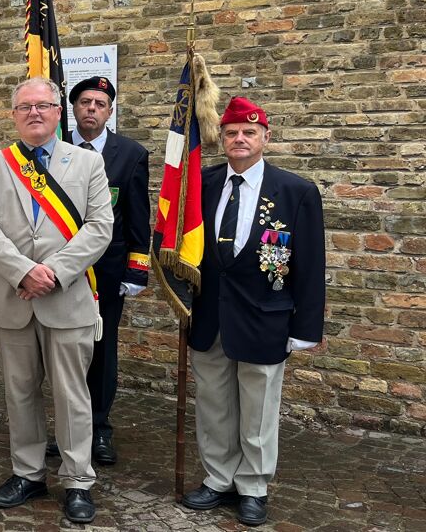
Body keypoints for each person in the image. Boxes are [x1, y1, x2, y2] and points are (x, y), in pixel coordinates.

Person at [0, 77, 112, 524]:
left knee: (73, 394)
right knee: (19, 392)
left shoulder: (88, 163)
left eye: (44, 106)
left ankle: (77, 480)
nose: (34, 113)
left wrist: (53, 271)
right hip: (13, 296)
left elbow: (99, 227)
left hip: (66, 296)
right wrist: (23, 271)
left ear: (58, 112)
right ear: (13, 115)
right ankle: (28, 473)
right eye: (25, 107)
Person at [181, 96, 325, 527]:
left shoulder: (295, 191)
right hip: (210, 315)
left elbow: (310, 265)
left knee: (259, 407)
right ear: (221, 139)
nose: (239, 139)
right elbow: (179, 244)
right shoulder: (202, 184)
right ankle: (218, 477)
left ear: (265, 137)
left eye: (248, 132)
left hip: (265, 316)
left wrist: (306, 327)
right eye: (231, 133)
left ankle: (254, 485)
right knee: (213, 404)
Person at [61, 77, 150, 465]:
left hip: (106, 273)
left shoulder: (129, 153)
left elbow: (137, 217)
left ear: (110, 111)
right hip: (60, 269)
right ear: (74, 109)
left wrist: (137, 269)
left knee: (101, 350)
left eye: (99, 103)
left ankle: (98, 428)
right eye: (84, 102)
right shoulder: (55, 148)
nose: (91, 109)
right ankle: (68, 427)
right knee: (62, 352)